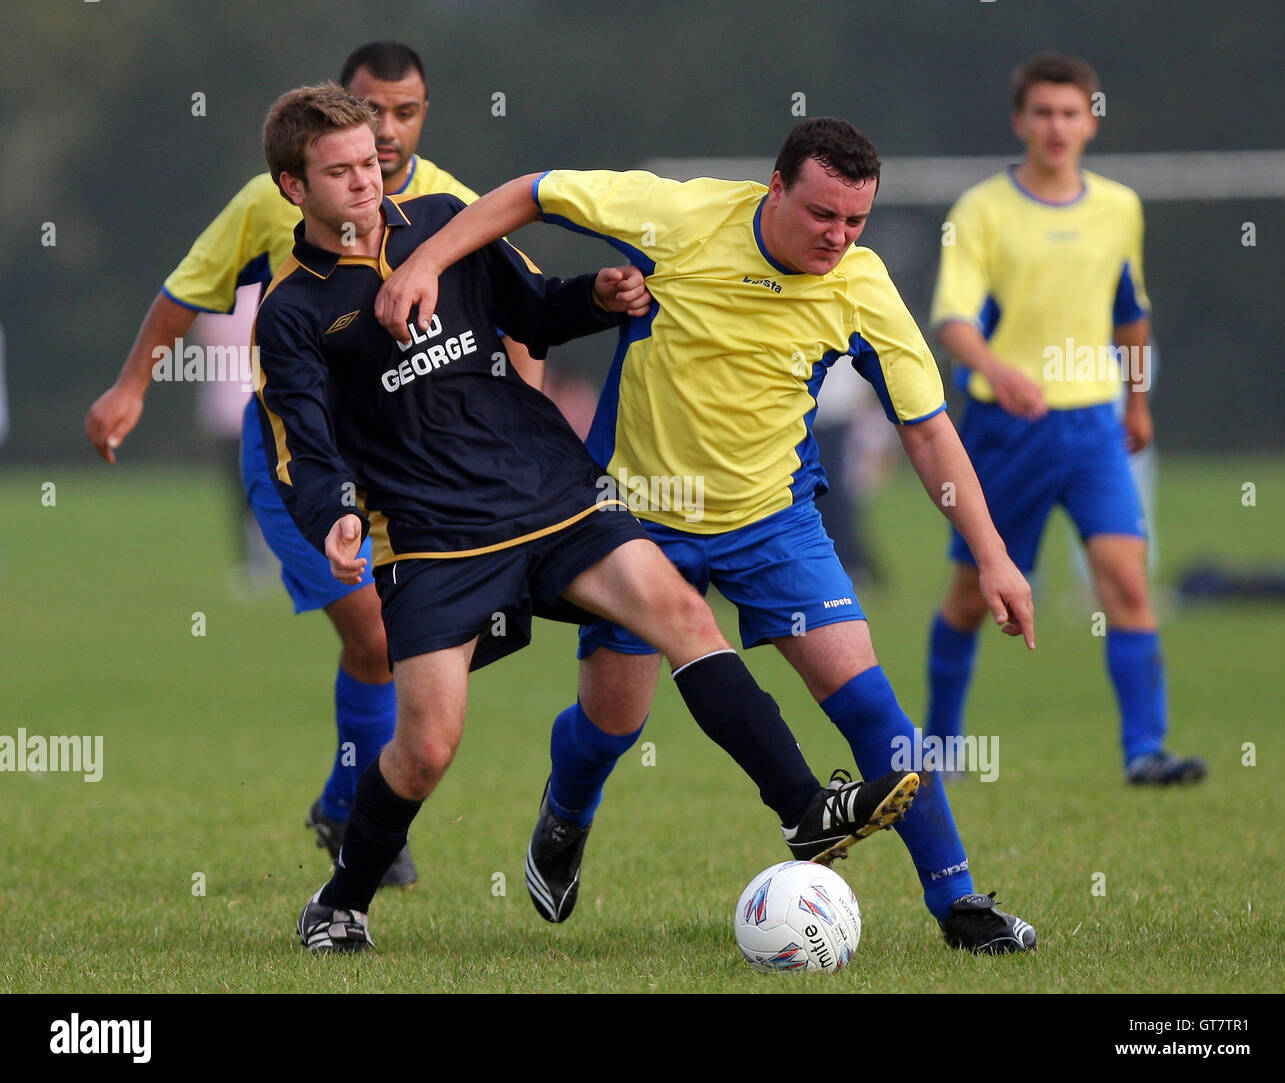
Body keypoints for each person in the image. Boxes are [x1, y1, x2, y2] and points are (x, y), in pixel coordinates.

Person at [255, 85, 920, 953]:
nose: (365, 183)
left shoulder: (443, 225)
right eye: (337, 171)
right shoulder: (292, 312)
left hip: (550, 493)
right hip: (433, 537)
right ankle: (341, 900)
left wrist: (599, 298)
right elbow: (300, 443)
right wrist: (336, 514)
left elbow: (532, 311)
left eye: (371, 164)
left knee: (681, 612)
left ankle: (803, 809)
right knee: (425, 748)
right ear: (291, 186)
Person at [374, 117, 1040, 954]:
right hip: (635, 517)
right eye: (822, 215)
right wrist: (428, 261)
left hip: (774, 522)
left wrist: (992, 555)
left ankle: (960, 904)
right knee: (613, 721)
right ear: (776, 188)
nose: (838, 237)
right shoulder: (677, 216)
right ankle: (565, 813)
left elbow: (929, 429)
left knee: (868, 699)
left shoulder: (863, 287)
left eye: (856, 221)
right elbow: (529, 193)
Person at [84, 42, 524, 888]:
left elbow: (515, 308)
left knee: (402, 642)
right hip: (298, 450)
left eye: (406, 113)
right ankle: (364, 816)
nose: (385, 133)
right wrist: (132, 384)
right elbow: (188, 289)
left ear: (424, 114)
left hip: (408, 453)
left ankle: (344, 802)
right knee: (372, 631)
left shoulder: (448, 205)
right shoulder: (269, 200)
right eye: (369, 112)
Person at [924, 53, 1205, 786]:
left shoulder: (1118, 208)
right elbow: (952, 317)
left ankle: (1145, 751)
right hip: (1002, 431)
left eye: (1070, 112)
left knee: (1126, 579)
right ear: (1021, 121)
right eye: (1042, 112)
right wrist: (995, 369)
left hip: (1093, 430)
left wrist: (1137, 400)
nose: (1056, 126)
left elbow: (1131, 314)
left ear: (1092, 120)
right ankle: (941, 744)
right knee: (970, 596)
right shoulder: (982, 209)